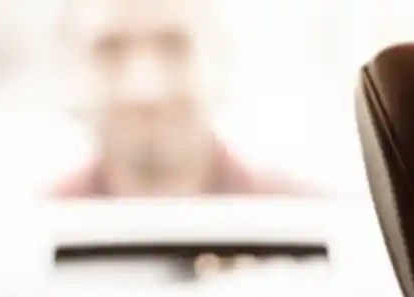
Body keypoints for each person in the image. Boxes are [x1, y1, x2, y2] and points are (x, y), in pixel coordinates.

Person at [51, 0, 301, 197]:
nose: (145, 89)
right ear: (68, 69)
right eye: (111, 49)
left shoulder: (315, 231)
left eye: (173, 45)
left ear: (223, 59)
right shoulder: (27, 243)